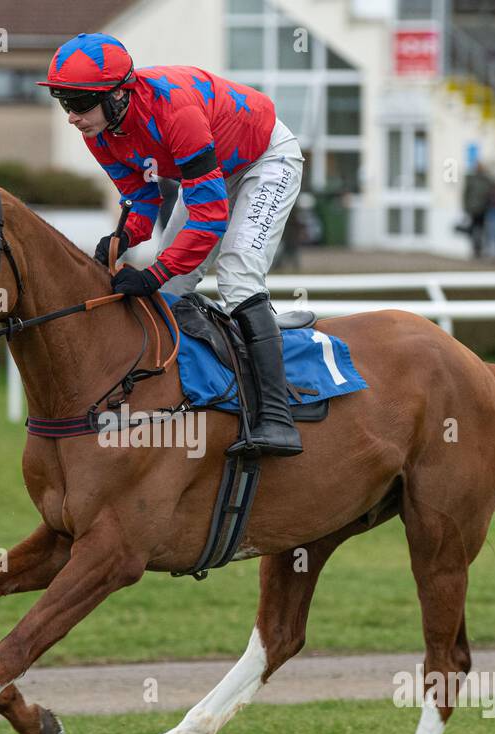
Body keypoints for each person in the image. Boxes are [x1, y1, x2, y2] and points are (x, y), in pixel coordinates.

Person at [40, 32, 304, 457]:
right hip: (209, 173)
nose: (72, 116)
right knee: (170, 291)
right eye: (63, 101)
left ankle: (277, 418)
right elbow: (143, 197)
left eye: (79, 102)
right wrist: (123, 237)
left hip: (265, 159)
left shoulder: (174, 110)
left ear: (118, 95)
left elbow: (210, 218)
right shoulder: (98, 131)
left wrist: (153, 272)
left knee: (236, 275)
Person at [461, 161, 493, 259]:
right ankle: (475, 248)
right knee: (473, 229)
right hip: (473, 209)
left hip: (484, 209)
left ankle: (479, 249)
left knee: (482, 229)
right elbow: (466, 194)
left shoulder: (487, 180)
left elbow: (491, 193)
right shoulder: (471, 179)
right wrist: (466, 207)